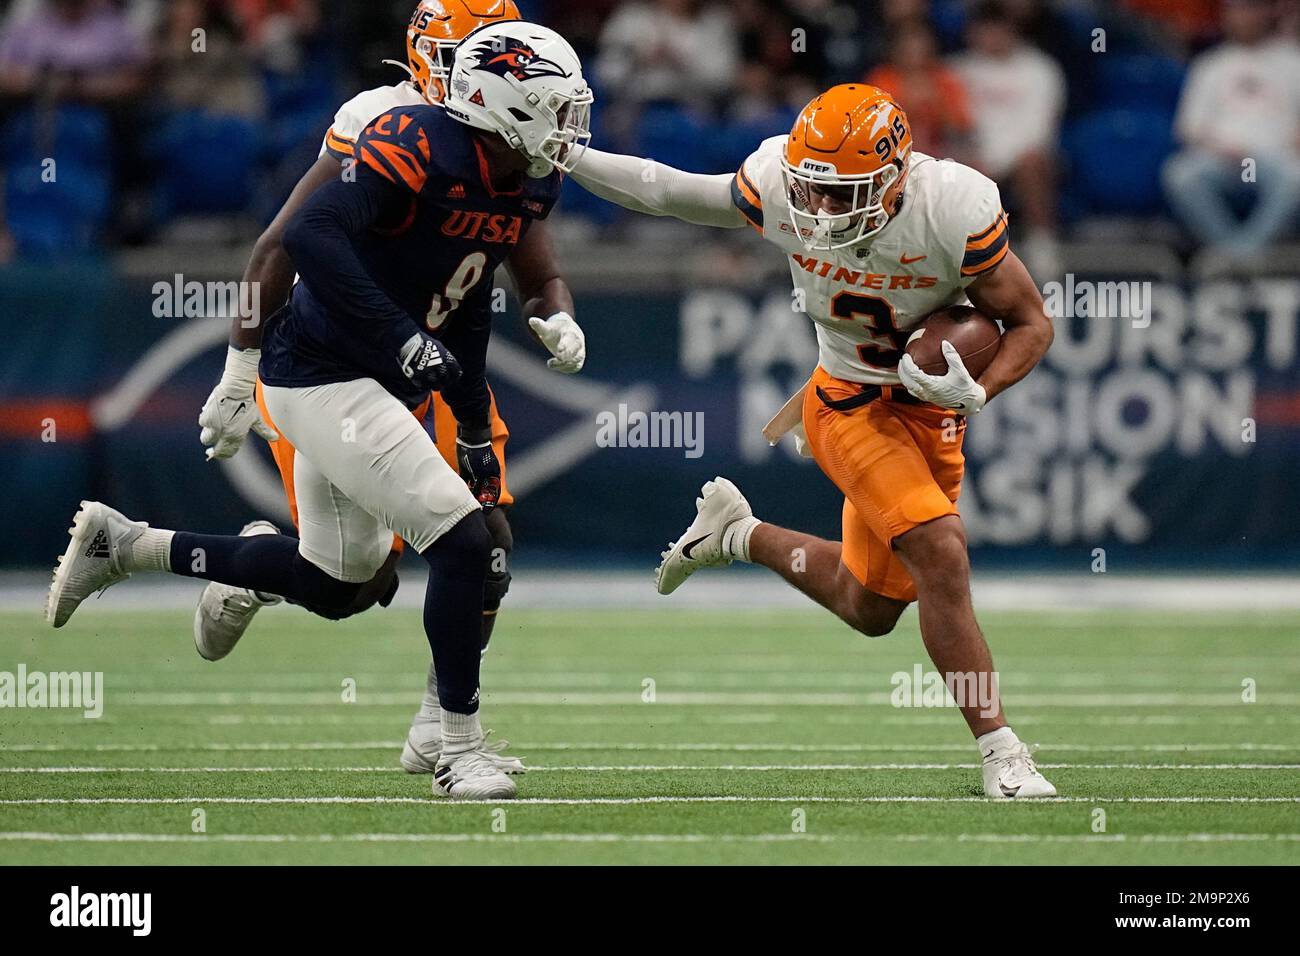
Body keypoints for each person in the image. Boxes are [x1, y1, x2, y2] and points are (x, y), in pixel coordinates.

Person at [45, 19, 594, 802]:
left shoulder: (524, 174)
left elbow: (470, 304)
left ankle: (129, 547)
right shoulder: (408, 136)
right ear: (503, 100)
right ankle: (457, 748)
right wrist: (369, 345)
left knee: (341, 584)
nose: (570, 126)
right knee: (466, 539)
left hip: (382, 379)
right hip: (322, 375)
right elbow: (306, 233)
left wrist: (472, 424)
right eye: (555, 106)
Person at [569, 83, 1058, 799]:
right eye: (812, 190)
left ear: (894, 178)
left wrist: (979, 392)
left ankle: (738, 534)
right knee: (940, 549)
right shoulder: (779, 186)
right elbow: (672, 191)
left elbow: (1031, 324)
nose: (822, 209)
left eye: (843, 193)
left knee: (869, 608)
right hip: (848, 404)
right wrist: (566, 158)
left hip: (930, 413)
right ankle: (1002, 752)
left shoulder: (952, 206)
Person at [194, 1, 549, 779]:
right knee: (355, 583)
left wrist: (550, 308)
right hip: (337, 357)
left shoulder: (511, 143)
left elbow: (504, 259)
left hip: (427, 344)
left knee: (485, 544)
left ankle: (440, 729)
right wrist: (238, 367)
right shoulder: (386, 123)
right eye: (473, 52)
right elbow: (285, 243)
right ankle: (250, 569)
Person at [1162, 0, 1300, 259]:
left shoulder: (1293, 61)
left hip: (1275, 157)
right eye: (1235, 9)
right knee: (1180, 175)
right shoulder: (1210, 65)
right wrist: (1220, 148)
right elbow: (1187, 129)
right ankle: (1233, 251)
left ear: (1266, 12)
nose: (1242, 17)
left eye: (1250, 8)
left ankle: (1246, 252)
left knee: (1296, 179)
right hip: (1221, 157)